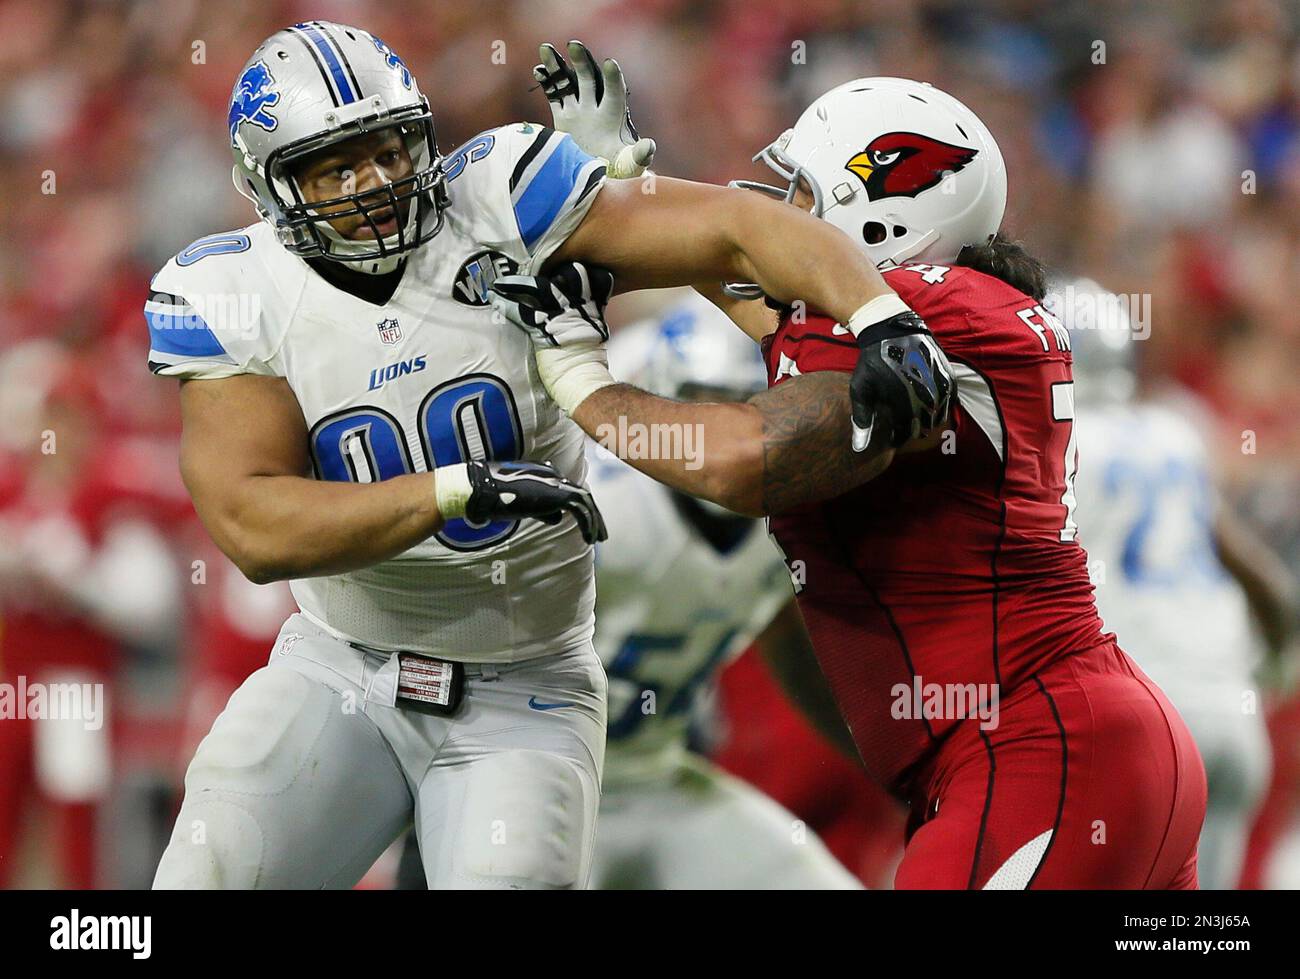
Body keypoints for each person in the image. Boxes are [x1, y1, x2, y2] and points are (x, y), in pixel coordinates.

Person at [146, 22, 935, 889]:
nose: (373, 183)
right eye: (335, 167)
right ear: (267, 187)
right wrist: (457, 488)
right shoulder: (233, 292)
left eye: (388, 149)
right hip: (343, 667)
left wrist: (879, 314)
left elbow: (738, 229)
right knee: (207, 875)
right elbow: (257, 525)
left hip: (524, 684)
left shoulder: (501, 198)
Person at [499, 55, 1208, 888]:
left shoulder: (927, 315)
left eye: (807, 194)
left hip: (1040, 749)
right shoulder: (948, 312)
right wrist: (628, 185)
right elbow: (750, 278)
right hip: (1085, 743)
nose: (786, 216)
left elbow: (746, 462)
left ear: (882, 215)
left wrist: (582, 376)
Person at [1062, 276, 1297, 889]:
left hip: (1143, 724)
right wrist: (1263, 678)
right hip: (1230, 723)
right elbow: (1268, 586)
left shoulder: (1051, 445)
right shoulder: (1177, 434)